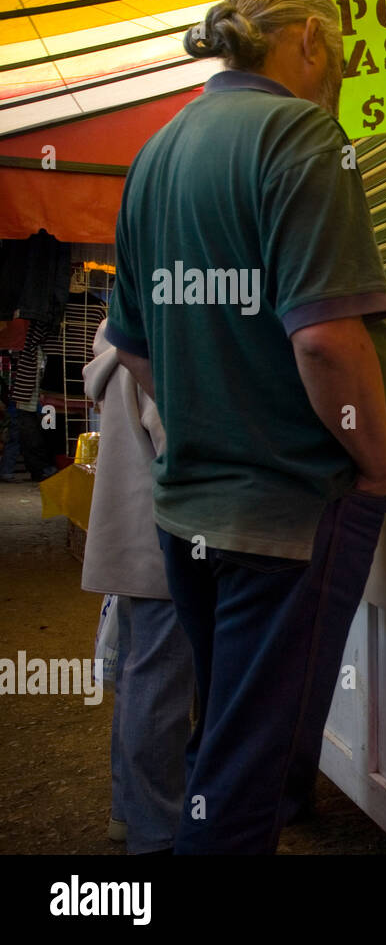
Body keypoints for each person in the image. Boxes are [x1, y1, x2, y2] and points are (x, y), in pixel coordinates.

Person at [105, 0, 386, 854]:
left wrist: (211, 414)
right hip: (289, 511)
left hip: (188, 509)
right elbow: (323, 340)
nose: (342, 74)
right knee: (250, 773)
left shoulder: (156, 151)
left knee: (225, 740)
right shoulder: (304, 136)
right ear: (311, 39)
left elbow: (133, 348)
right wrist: (377, 461)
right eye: (342, 52)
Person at [82, 319, 194, 855]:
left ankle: (129, 812)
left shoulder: (120, 333)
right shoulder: (163, 338)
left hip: (131, 540)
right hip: (165, 543)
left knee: (137, 680)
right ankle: (158, 833)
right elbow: (180, 441)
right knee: (161, 688)